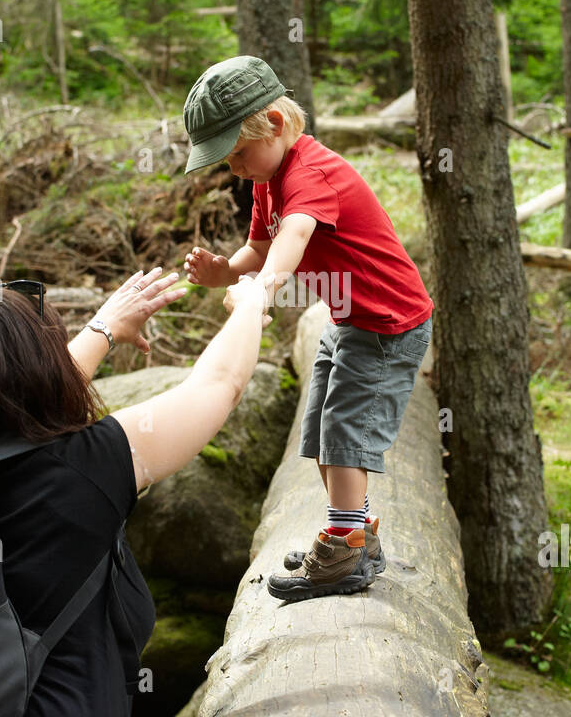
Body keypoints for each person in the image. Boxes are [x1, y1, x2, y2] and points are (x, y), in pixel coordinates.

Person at [0, 267, 272, 717]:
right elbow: (218, 386)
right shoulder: (86, 465)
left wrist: (104, 329)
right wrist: (251, 304)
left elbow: (20, 396)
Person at [180, 55, 434, 602]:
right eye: (227, 161)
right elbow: (262, 246)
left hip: (387, 324)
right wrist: (226, 271)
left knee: (346, 431)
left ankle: (343, 551)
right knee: (320, 425)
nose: (236, 170)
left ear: (274, 123)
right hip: (352, 320)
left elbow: (294, 237)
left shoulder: (309, 172)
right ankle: (354, 534)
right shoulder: (269, 178)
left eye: (239, 154)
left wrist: (265, 290)